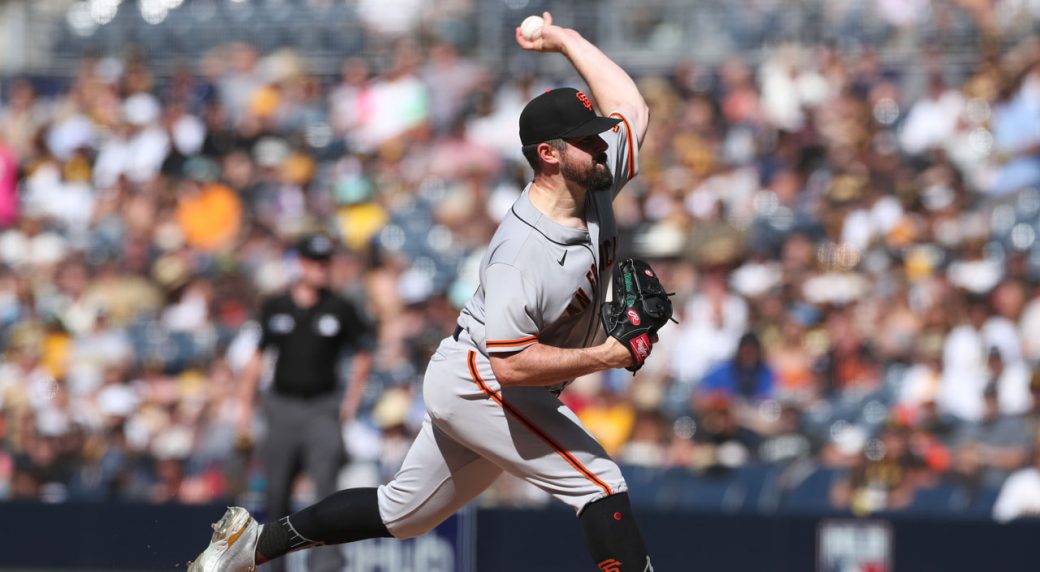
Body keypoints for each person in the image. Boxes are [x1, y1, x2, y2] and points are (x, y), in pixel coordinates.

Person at [188, 12, 655, 571]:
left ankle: (254, 545)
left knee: (404, 513)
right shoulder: (521, 251)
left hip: (498, 379)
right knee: (598, 483)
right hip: (479, 379)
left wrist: (564, 40)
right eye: (586, 140)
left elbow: (633, 106)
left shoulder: (596, 181)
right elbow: (509, 364)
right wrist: (607, 354)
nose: (602, 145)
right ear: (549, 155)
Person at [233, 233, 375, 572]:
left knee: (325, 491)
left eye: (325, 262)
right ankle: (269, 565)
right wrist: (244, 410)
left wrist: (350, 401)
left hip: (322, 408)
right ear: (300, 264)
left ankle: (325, 566)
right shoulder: (277, 305)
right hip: (281, 406)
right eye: (314, 261)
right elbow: (257, 358)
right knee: (276, 493)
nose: (320, 269)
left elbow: (362, 353)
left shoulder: (340, 307)